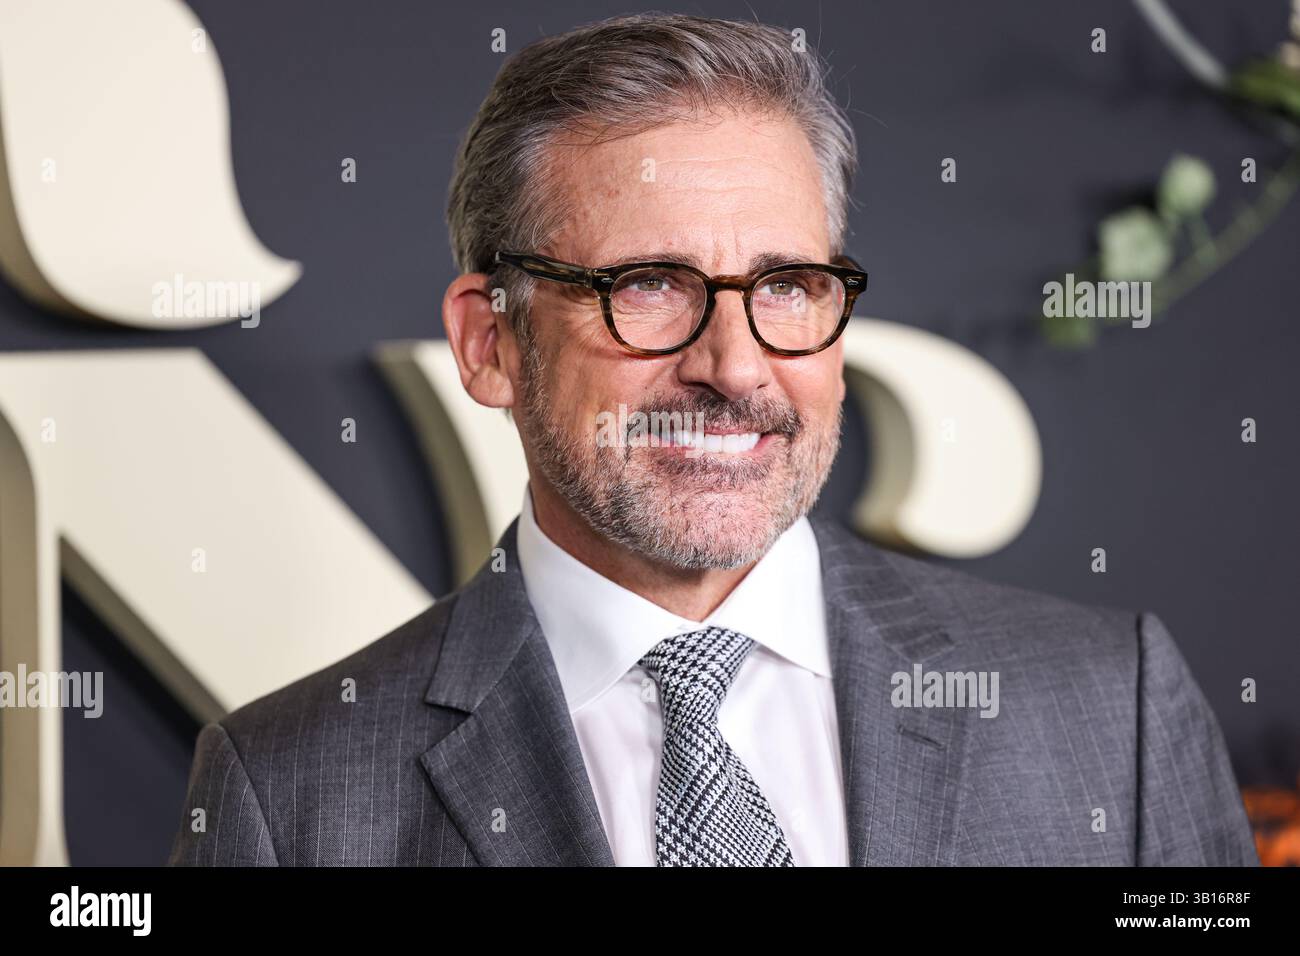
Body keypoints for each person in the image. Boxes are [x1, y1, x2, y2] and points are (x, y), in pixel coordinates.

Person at [169, 13, 1257, 867]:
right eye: (648, 286)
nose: (734, 368)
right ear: (489, 341)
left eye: (785, 286)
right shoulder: (293, 796)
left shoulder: (1108, 705)